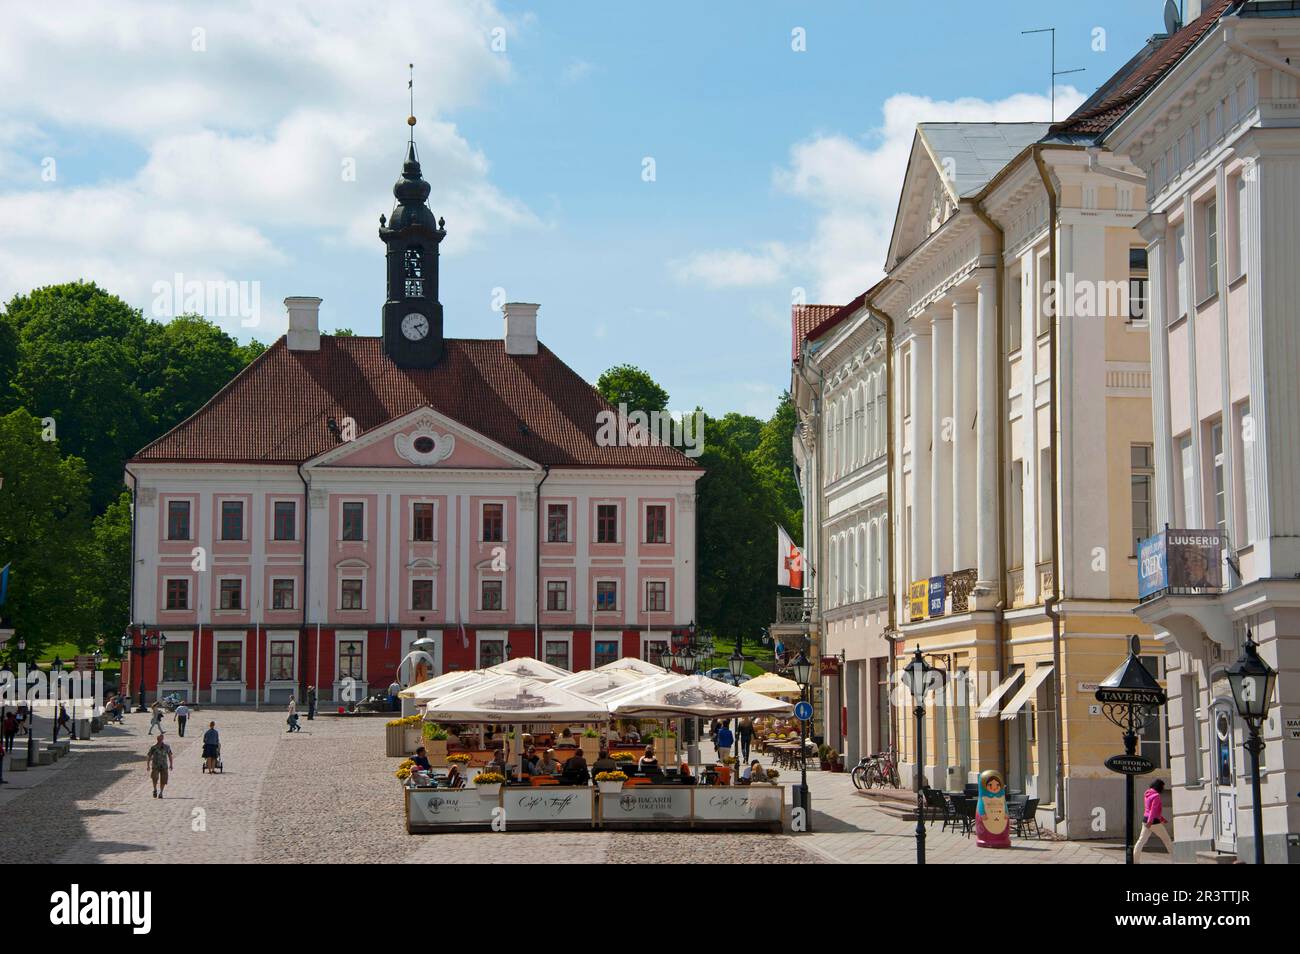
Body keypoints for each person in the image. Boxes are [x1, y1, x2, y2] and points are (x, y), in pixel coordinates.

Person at [1134, 778, 1174, 863]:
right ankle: (1176, 860)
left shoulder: (1147, 794)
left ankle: (1135, 861)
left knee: (1141, 841)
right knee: (1167, 840)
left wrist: (1161, 819)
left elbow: (1149, 809)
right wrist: (1151, 821)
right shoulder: (1156, 796)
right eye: (1163, 786)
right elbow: (1153, 810)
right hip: (1153, 822)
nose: (1163, 788)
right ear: (1159, 786)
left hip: (1145, 820)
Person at [146, 733, 174, 798]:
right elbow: (149, 756)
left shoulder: (167, 747)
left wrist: (171, 764)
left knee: (163, 779)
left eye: (161, 738)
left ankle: (161, 792)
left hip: (164, 765)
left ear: (163, 739)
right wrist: (148, 765)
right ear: (157, 739)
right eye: (159, 739)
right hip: (155, 765)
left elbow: (170, 755)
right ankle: (155, 789)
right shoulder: (153, 747)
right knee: (154, 778)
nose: (160, 740)